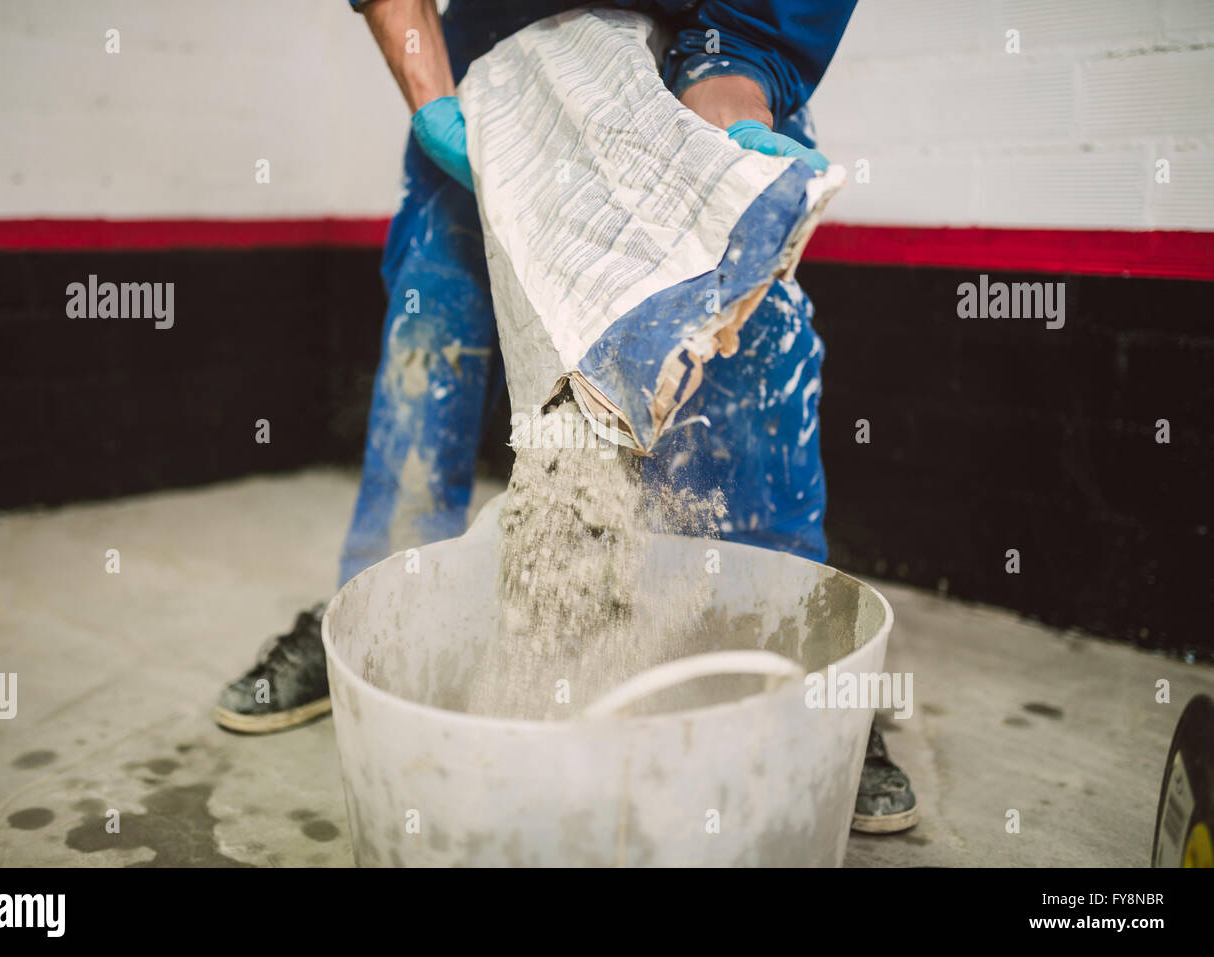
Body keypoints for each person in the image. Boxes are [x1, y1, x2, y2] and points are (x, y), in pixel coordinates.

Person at [214, 0, 918, 835]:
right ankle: (377, 635)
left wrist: (737, 76)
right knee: (433, 322)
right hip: (494, 65)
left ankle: (799, 671)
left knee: (751, 347)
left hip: (705, 53)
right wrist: (435, 96)